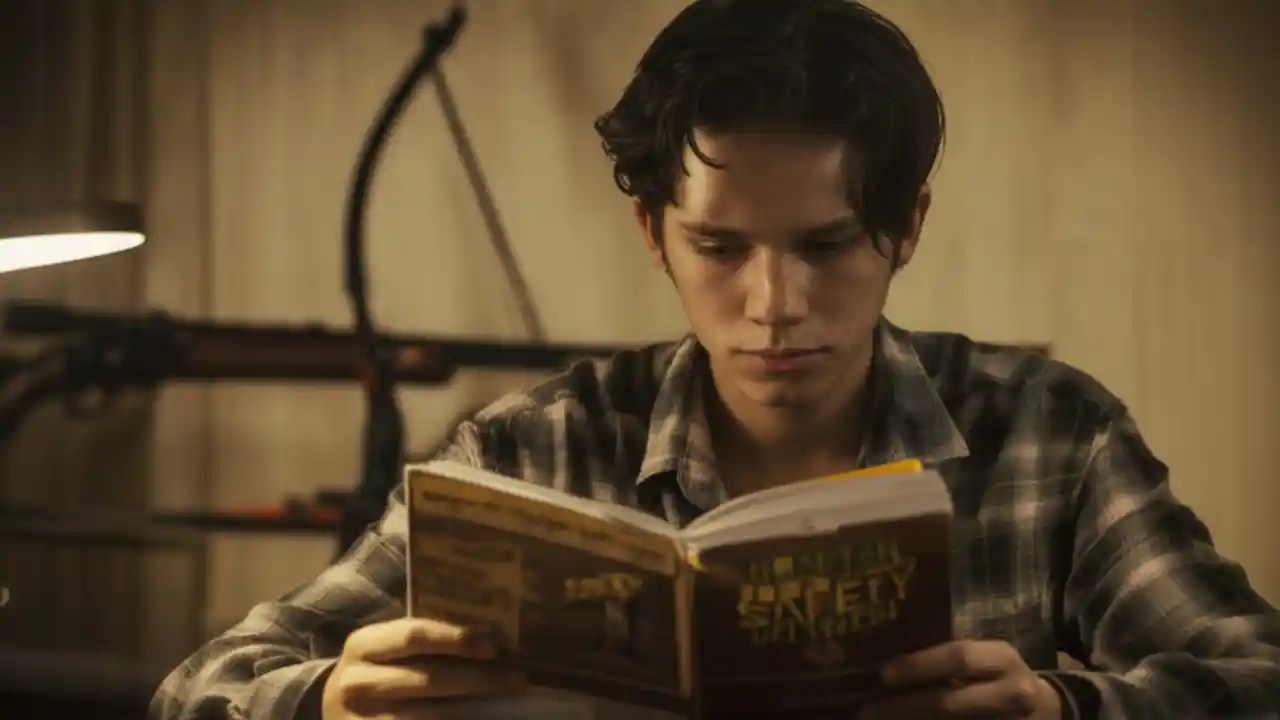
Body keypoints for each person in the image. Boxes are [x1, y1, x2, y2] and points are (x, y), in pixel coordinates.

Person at [150, 1, 1280, 718]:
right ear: (653, 233)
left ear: (905, 229)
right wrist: (326, 701)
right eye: (718, 246)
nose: (773, 305)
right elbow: (200, 689)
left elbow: (1256, 678)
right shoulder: (527, 450)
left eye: (826, 244)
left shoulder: (1048, 433)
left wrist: (1064, 708)